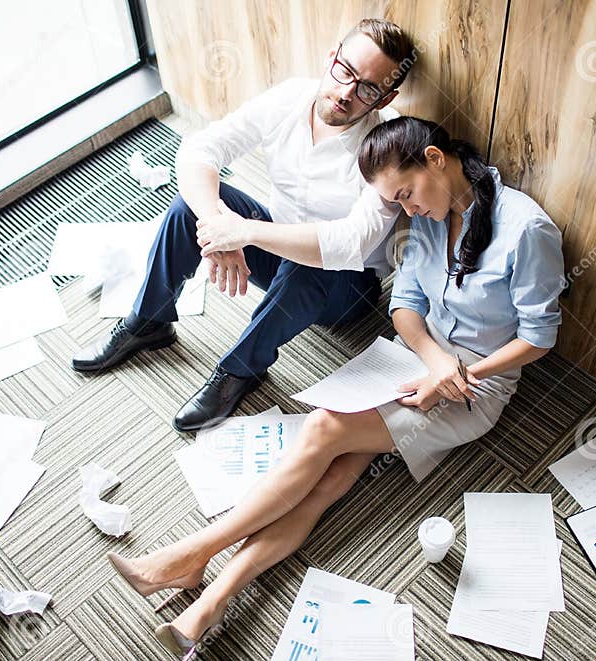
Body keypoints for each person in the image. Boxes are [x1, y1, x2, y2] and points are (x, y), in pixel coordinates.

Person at [107, 115, 565, 658]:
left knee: (325, 429)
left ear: (436, 160)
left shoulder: (527, 229)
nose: (407, 208)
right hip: (421, 357)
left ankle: (192, 554)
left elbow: (539, 339)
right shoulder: (427, 214)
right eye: (397, 200)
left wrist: (454, 375)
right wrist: (433, 358)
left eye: (407, 193)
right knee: (328, 479)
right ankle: (212, 600)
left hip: (476, 384)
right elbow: (405, 306)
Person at [71, 18, 416, 432]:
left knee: (311, 263)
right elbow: (201, 148)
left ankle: (241, 371)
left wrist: (245, 233)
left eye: (367, 89)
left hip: (344, 287)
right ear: (331, 59)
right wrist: (219, 226)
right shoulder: (291, 97)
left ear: (384, 98)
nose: (346, 93)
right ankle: (149, 322)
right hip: (276, 250)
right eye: (345, 71)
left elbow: (348, 244)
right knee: (190, 206)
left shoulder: (387, 143)